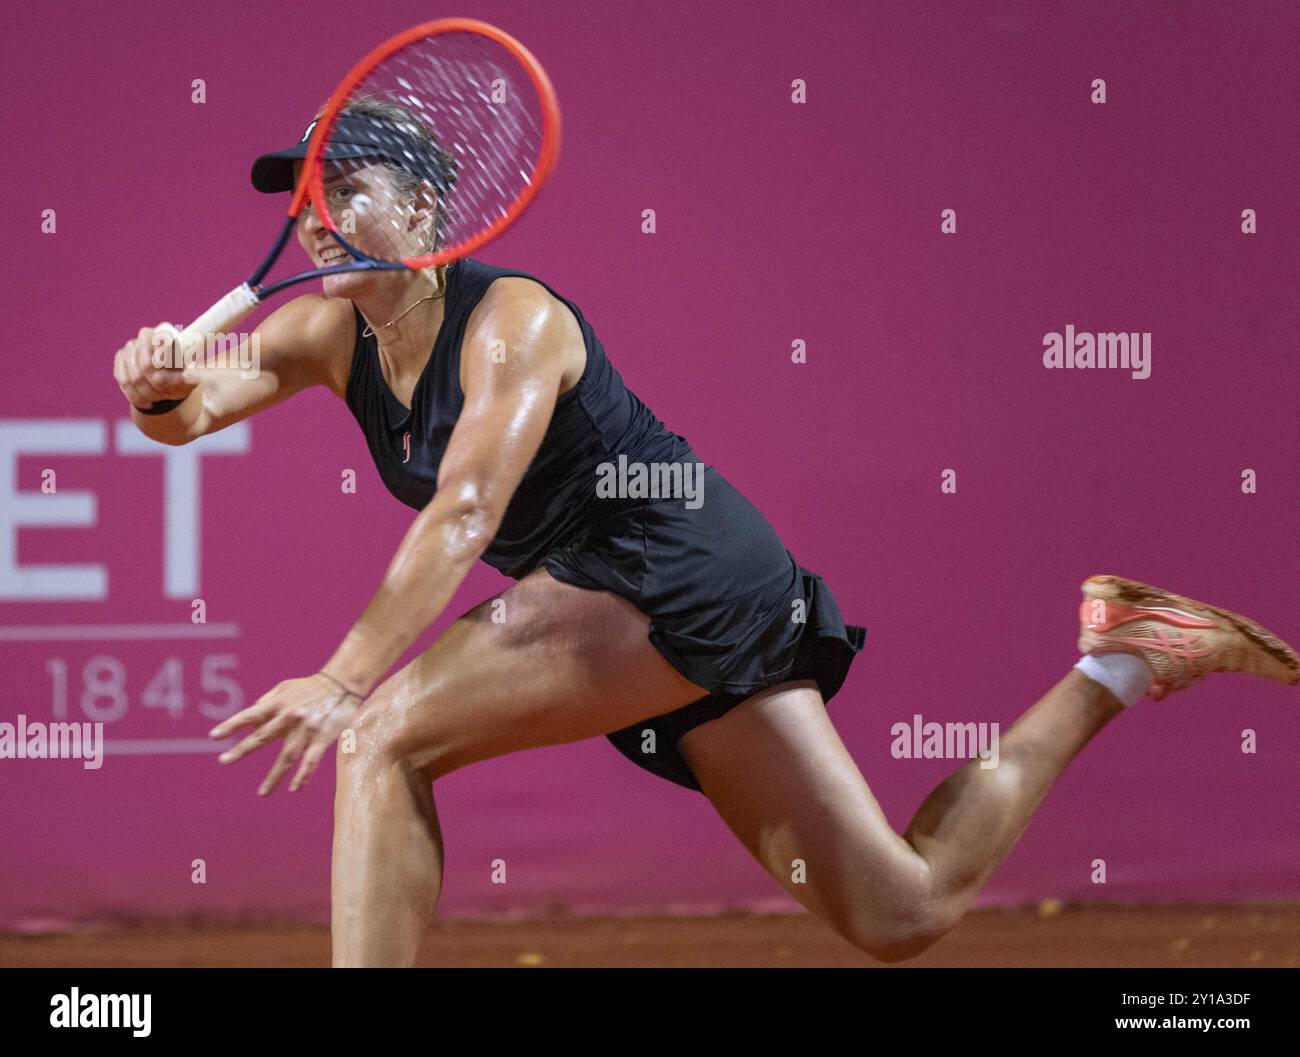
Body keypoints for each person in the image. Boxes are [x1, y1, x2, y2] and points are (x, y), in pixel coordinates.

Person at [112, 98, 1300, 967]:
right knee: (904, 910)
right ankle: (1125, 655)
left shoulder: (511, 322)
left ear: (424, 208)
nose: (315, 216)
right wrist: (155, 383)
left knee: (380, 738)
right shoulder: (328, 335)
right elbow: (189, 412)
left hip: (669, 566)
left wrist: (341, 674)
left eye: (345, 188)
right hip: (637, 596)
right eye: (303, 197)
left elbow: (467, 510)